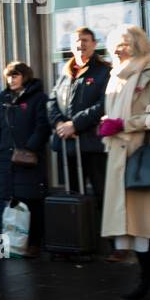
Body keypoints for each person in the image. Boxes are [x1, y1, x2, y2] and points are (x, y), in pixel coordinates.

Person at [100, 24, 150, 300]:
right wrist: (108, 127)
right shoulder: (115, 77)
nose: (119, 49)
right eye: (115, 44)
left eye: (124, 43)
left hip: (147, 158)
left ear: (138, 43)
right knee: (137, 226)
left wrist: (124, 124)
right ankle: (147, 283)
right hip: (123, 159)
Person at [47, 25, 115, 257]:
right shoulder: (66, 72)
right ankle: (78, 243)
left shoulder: (103, 71)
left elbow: (104, 105)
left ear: (94, 44)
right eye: (77, 40)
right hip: (68, 145)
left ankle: (111, 246)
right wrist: (59, 124)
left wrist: (75, 124)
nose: (80, 44)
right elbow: (52, 101)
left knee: (102, 194)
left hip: (93, 144)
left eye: (85, 40)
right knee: (73, 193)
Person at [0, 61, 49, 257]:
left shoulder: (38, 98)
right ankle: (11, 246)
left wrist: (29, 149)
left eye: (16, 75)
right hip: (6, 159)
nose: (11, 79)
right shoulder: (1, 99)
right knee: (11, 204)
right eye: (9, 76)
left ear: (25, 76)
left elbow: (42, 126)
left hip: (29, 159)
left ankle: (34, 244)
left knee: (31, 201)